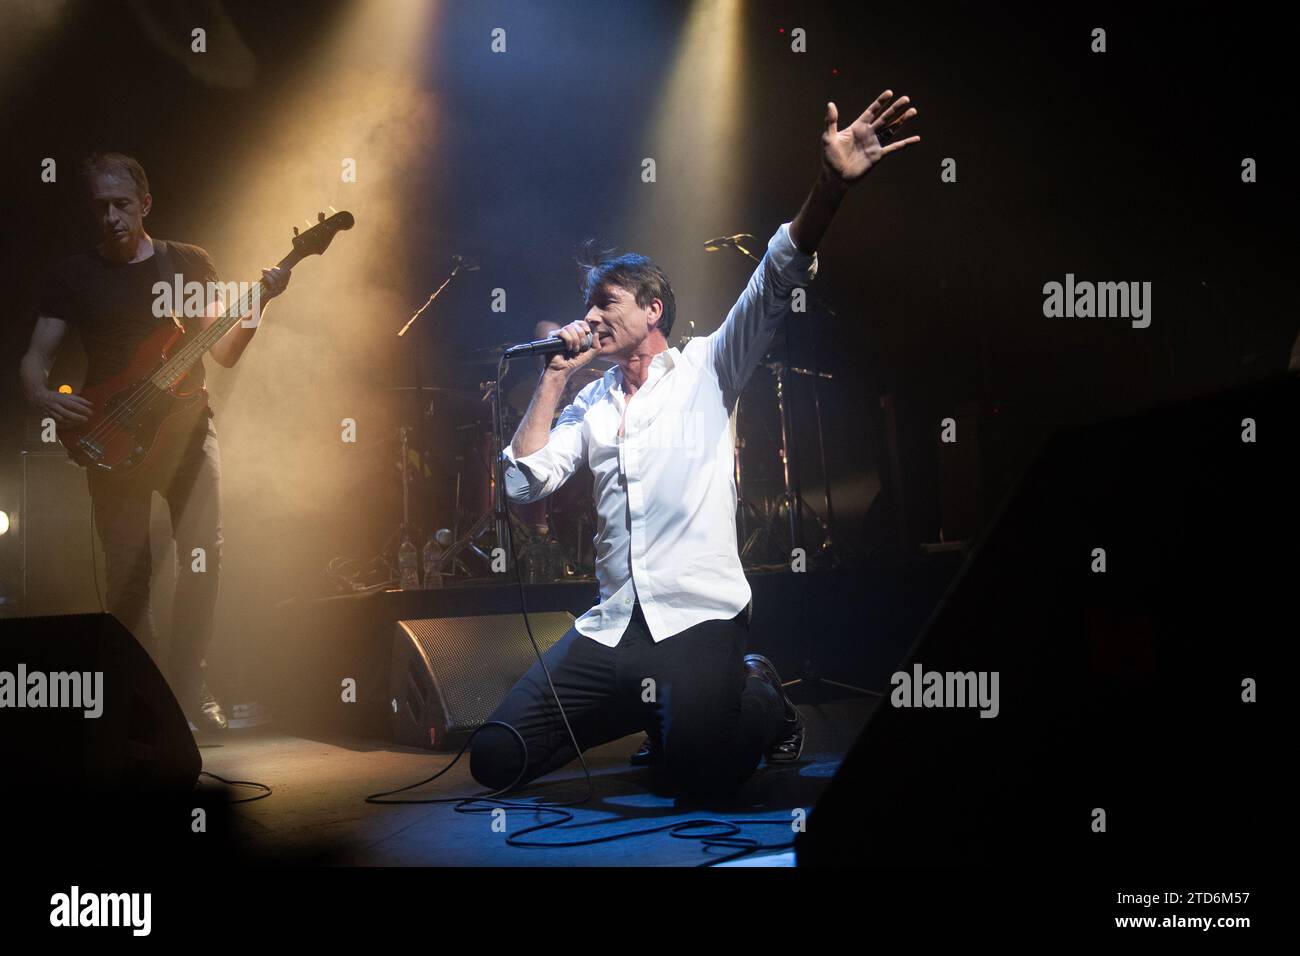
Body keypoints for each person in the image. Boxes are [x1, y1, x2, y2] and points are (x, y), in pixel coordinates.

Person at [470, 92, 920, 799]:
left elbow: (775, 278)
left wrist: (829, 186)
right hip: (614, 627)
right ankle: (653, 708)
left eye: (606, 304)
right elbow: (526, 484)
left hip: (698, 617)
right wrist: (555, 378)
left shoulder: (710, 365)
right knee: (494, 759)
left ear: (653, 309)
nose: (589, 320)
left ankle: (762, 699)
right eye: (588, 308)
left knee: (700, 777)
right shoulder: (588, 402)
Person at [19, 152, 290, 733]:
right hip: (111, 435)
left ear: (145, 204)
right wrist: (42, 397)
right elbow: (34, 359)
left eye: (121, 204)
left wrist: (260, 302)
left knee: (204, 560)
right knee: (126, 572)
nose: (111, 217)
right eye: (100, 207)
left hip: (188, 431)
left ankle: (188, 687)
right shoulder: (74, 276)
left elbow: (222, 350)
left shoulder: (188, 263)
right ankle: (144, 696)